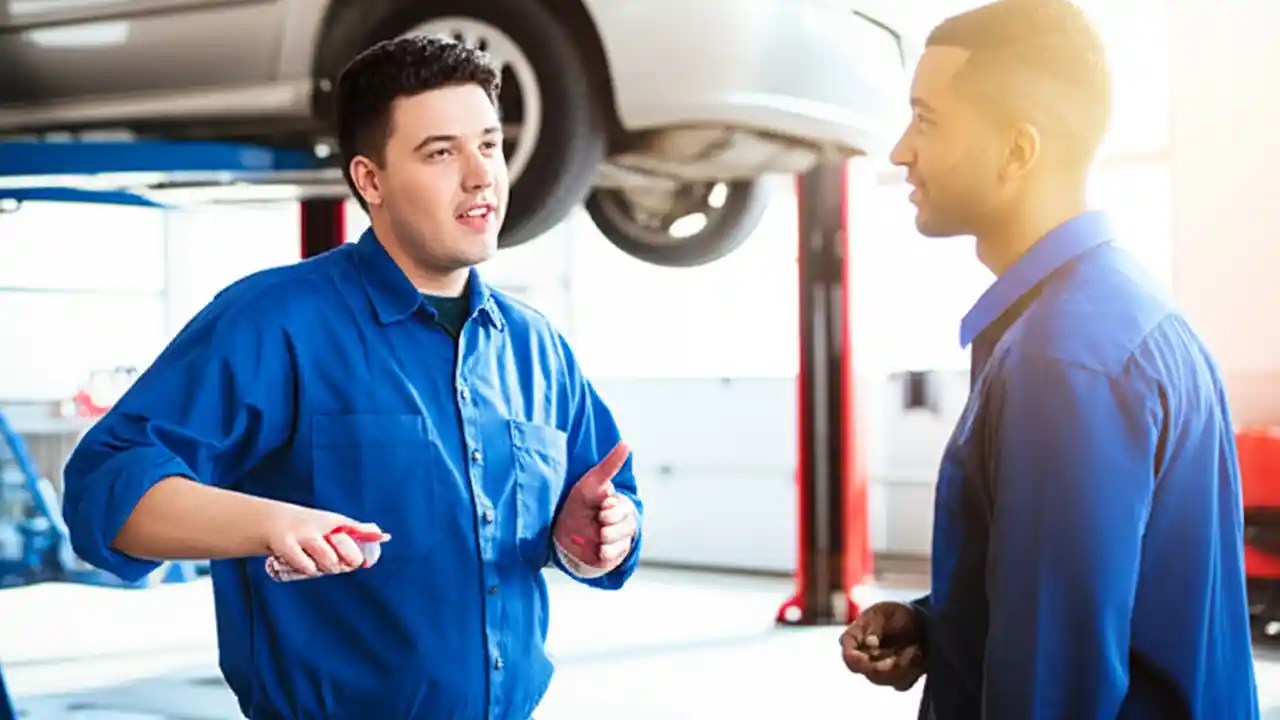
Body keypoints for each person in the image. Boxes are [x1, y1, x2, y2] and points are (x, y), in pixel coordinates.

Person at [61, 35, 643, 720]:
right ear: (371, 180)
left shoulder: (536, 349)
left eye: (488, 144)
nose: (481, 175)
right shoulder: (275, 322)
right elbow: (106, 486)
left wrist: (591, 543)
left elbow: (607, 508)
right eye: (441, 152)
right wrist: (265, 522)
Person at [838, 1, 1259, 718]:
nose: (900, 150)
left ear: (1017, 151)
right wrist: (941, 623)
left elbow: (1054, 686)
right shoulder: (1119, 312)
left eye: (927, 120)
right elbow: (1104, 594)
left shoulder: (1063, 359)